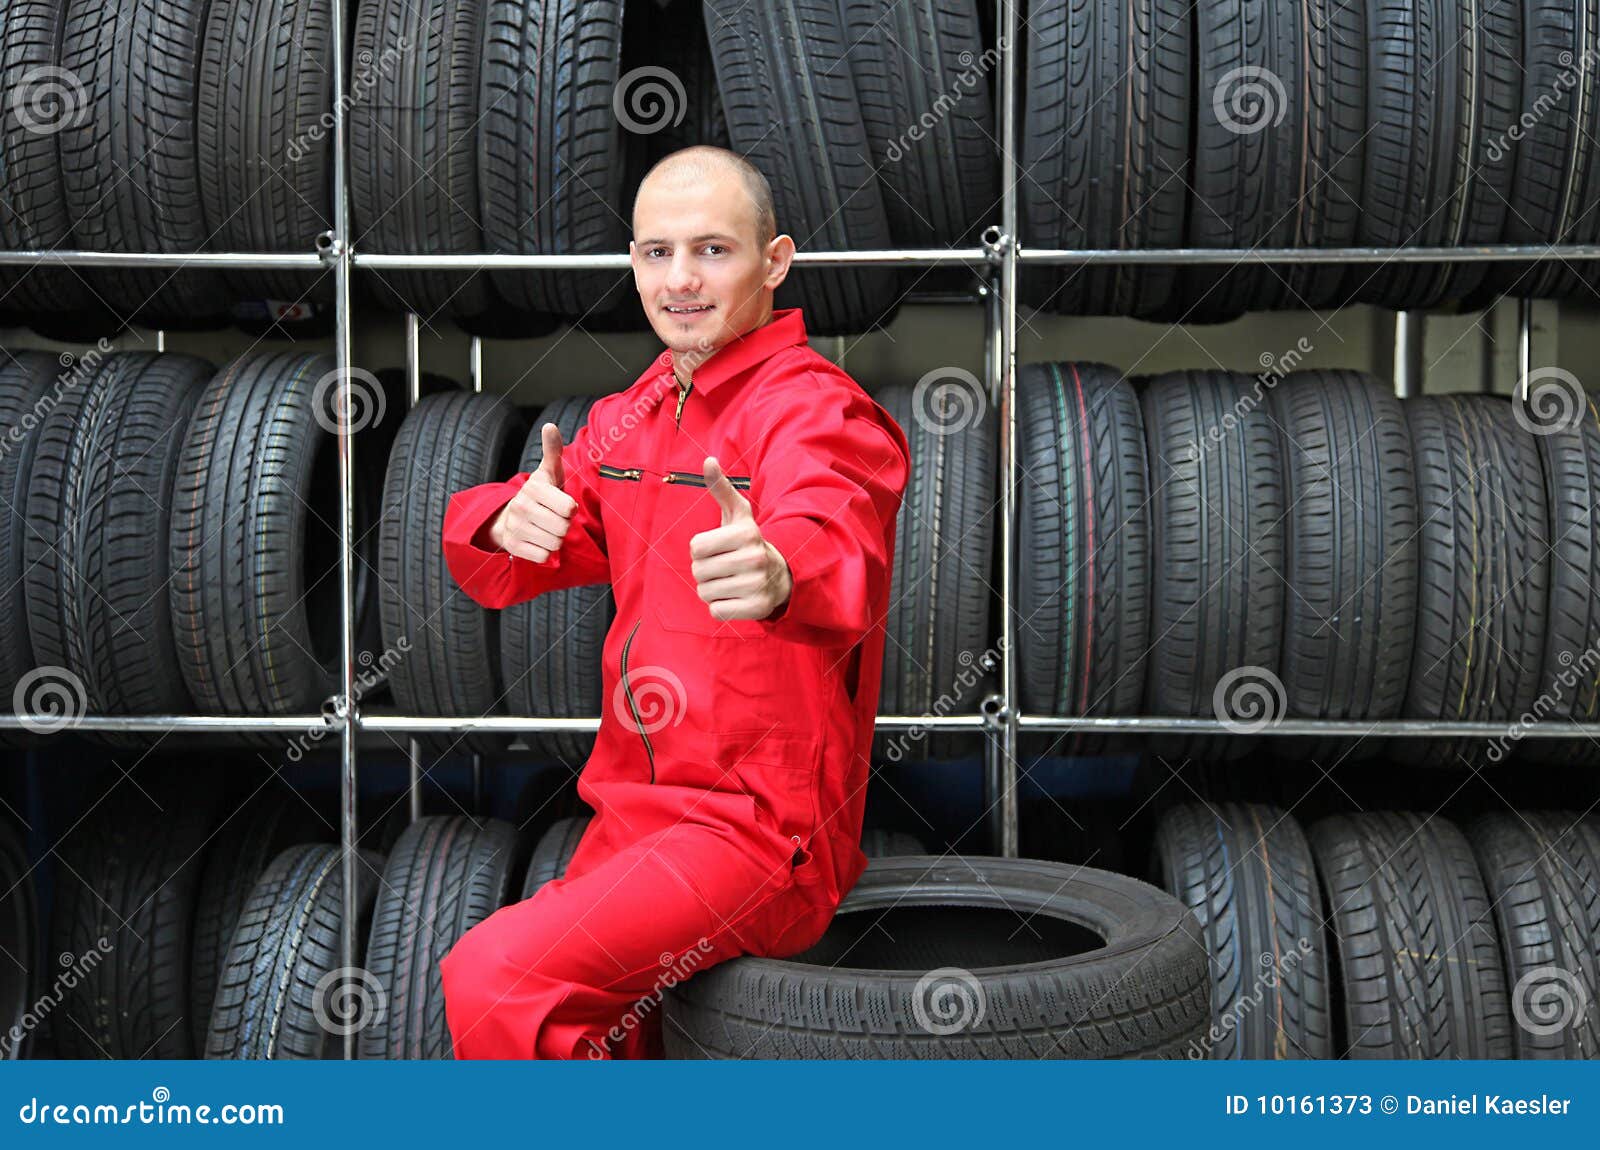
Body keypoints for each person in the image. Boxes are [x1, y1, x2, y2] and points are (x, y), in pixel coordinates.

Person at [435, 145, 910, 1059]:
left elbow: (834, 533)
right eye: (658, 253)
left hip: (757, 833)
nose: (681, 280)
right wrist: (502, 519)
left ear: (774, 261)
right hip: (630, 815)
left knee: (498, 980)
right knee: (620, 1042)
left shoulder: (815, 409)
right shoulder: (643, 408)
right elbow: (516, 558)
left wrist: (780, 573)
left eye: (712, 251)